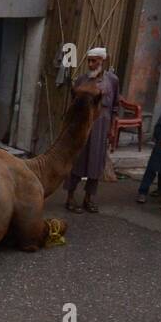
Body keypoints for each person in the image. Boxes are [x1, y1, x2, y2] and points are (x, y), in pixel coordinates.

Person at [64, 47, 120, 214]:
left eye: (94, 60)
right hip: (83, 125)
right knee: (77, 161)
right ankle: (70, 197)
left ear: (102, 61)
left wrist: (111, 129)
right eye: (89, 60)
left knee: (96, 163)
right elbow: (74, 106)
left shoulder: (112, 80)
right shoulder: (81, 80)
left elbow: (115, 107)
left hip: (102, 125)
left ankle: (89, 198)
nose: (90, 64)